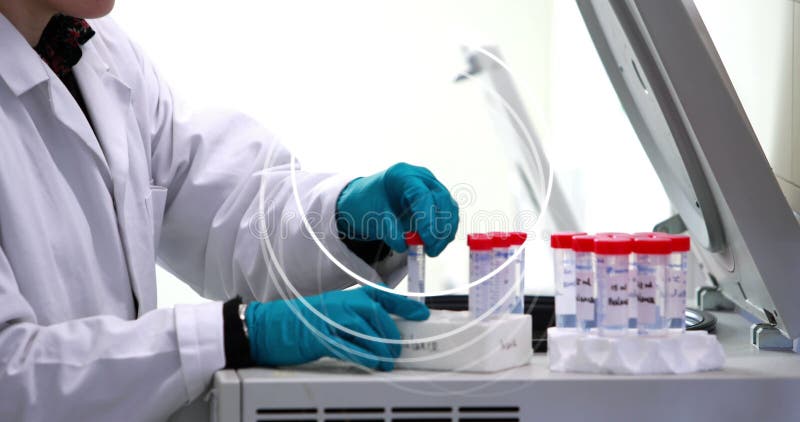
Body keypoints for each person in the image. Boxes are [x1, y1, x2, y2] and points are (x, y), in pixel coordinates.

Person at [0, 1, 459, 420]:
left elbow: (219, 204)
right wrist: (234, 335)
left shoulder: (91, 48)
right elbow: (10, 378)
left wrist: (343, 220)